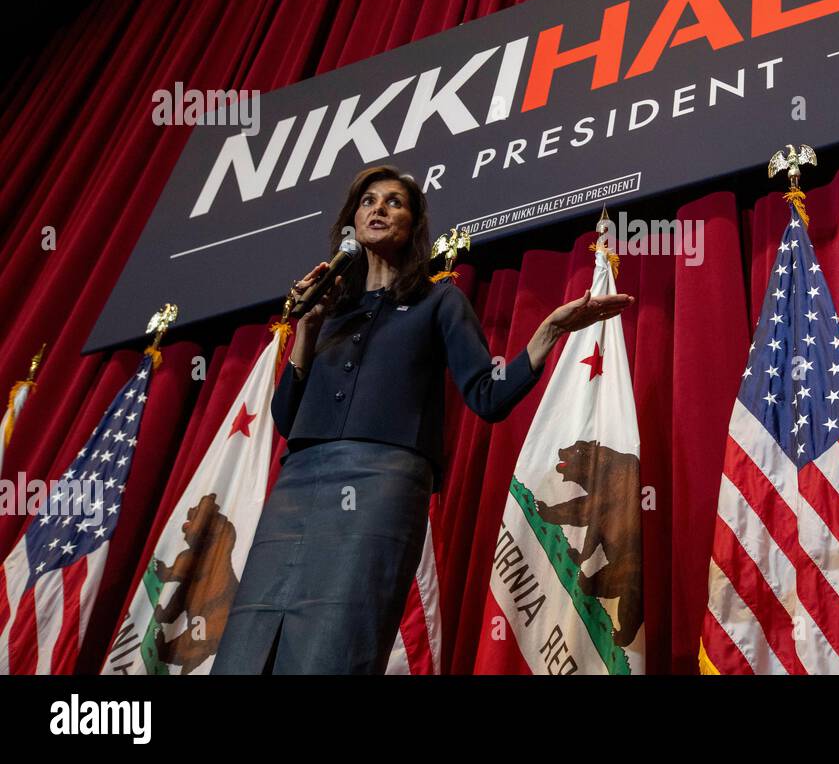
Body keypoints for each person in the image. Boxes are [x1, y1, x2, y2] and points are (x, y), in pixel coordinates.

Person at [211, 164, 633, 674]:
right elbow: (286, 417)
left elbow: (488, 397)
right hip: (297, 486)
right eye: (368, 201)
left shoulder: (439, 301)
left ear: (412, 226)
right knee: (254, 634)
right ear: (352, 222)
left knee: (335, 640)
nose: (379, 209)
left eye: (394, 202)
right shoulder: (329, 314)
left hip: (381, 487)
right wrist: (306, 327)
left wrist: (549, 330)